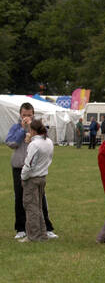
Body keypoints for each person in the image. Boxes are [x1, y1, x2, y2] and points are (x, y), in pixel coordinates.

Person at [7, 101, 55, 240]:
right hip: (19, 166)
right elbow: (11, 143)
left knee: (40, 198)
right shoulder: (16, 127)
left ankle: (47, 227)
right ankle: (21, 228)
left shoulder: (38, 127)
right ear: (20, 115)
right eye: (24, 115)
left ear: (33, 115)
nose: (26, 117)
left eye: (29, 115)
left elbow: (46, 141)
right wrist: (22, 129)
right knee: (20, 198)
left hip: (35, 169)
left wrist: (32, 131)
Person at [18, 119, 53, 242]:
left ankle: (33, 236)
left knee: (31, 208)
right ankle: (42, 233)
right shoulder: (49, 142)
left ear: (32, 130)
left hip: (32, 178)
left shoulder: (35, 144)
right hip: (42, 176)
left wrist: (23, 176)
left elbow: (29, 164)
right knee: (38, 207)